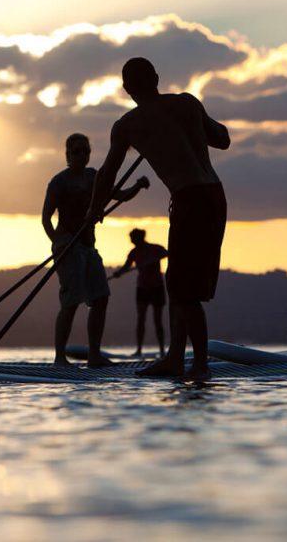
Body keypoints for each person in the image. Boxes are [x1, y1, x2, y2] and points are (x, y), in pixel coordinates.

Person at [88, 57, 230, 380]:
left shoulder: (128, 125)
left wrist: (95, 208)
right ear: (156, 77)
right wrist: (190, 125)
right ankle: (175, 359)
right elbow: (222, 138)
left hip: (189, 199)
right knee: (179, 285)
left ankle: (200, 366)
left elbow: (107, 173)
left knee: (184, 289)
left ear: (126, 89)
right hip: (215, 196)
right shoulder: (188, 104)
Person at [42, 132, 148, 368]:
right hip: (68, 247)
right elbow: (46, 219)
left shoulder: (95, 177)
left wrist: (138, 186)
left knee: (101, 298)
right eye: (77, 151)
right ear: (67, 154)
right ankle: (60, 358)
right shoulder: (59, 182)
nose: (82, 155)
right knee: (70, 302)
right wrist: (58, 243)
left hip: (89, 247)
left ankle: (94, 355)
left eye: (86, 151)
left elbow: (119, 195)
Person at [112, 228, 168, 358]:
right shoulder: (134, 252)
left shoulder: (155, 248)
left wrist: (155, 258)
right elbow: (127, 266)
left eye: (132, 238)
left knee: (157, 320)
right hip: (142, 288)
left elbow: (167, 253)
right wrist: (118, 273)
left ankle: (161, 350)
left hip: (157, 287)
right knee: (141, 319)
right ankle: (138, 350)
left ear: (139, 238)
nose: (131, 241)